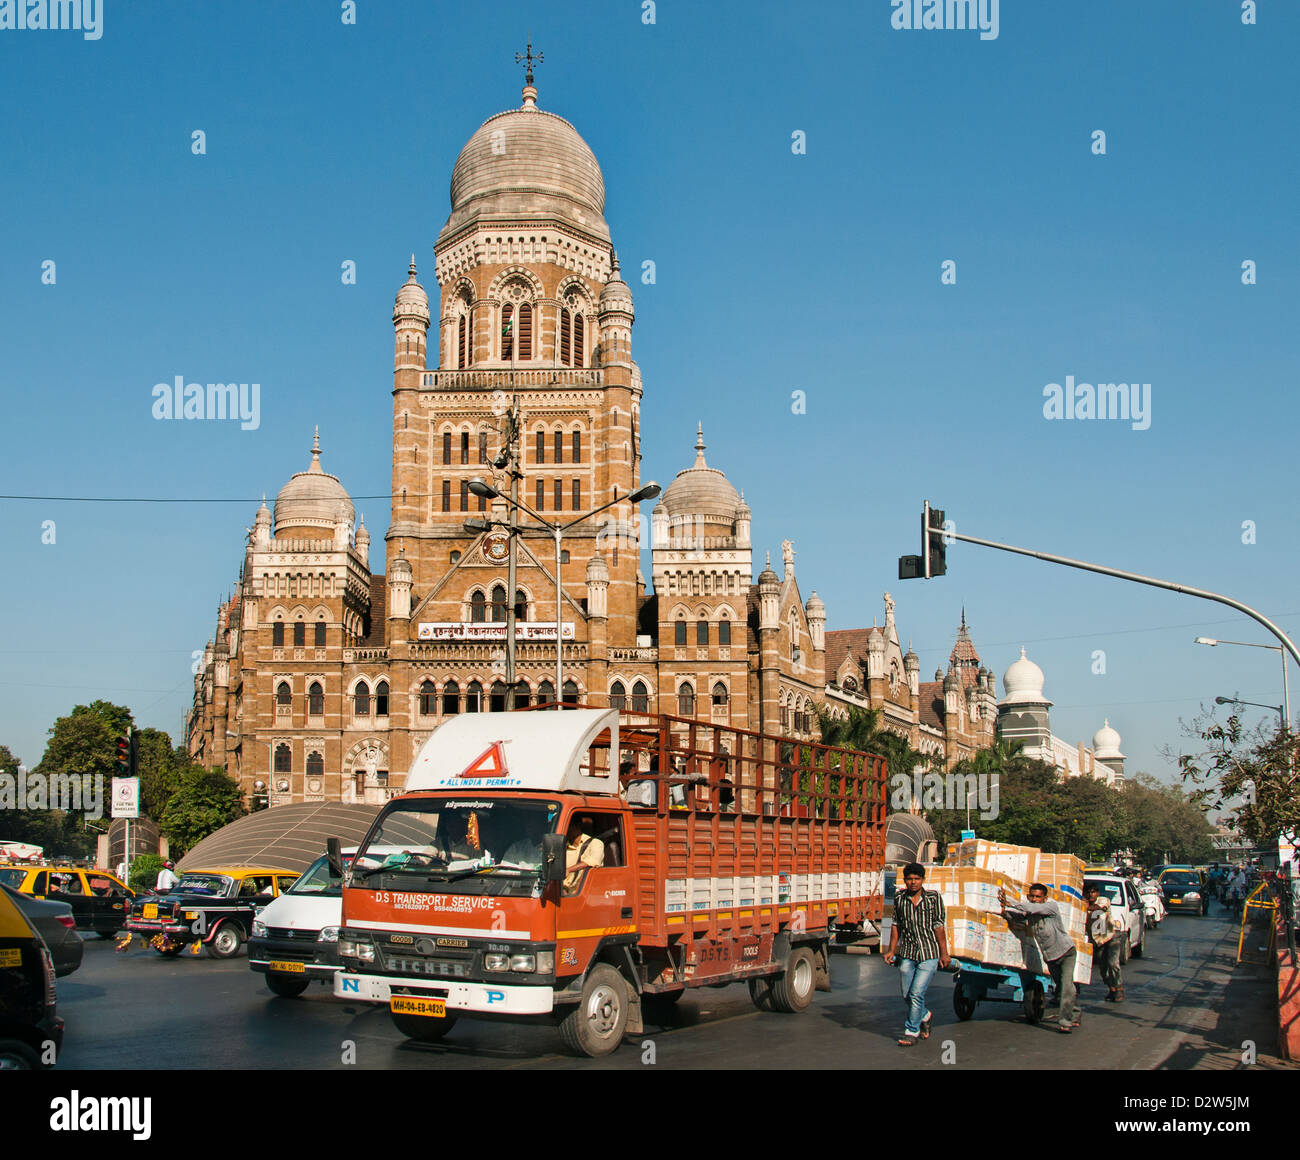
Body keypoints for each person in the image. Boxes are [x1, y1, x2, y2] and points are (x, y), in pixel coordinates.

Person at [883, 862, 949, 1047]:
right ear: (905, 880)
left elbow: (939, 926)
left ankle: (911, 1031)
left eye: (917, 879)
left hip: (929, 952)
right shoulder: (900, 898)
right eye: (910, 879)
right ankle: (925, 1015)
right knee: (907, 994)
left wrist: (944, 954)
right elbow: (897, 926)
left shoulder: (933, 898)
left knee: (917, 993)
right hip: (908, 952)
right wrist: (891, 950)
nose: (913, 882)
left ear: (922, 880)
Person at [999, 883, 1081, 1033]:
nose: (1035, 899)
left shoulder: (1051, 907)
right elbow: (1017, 917)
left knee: (1067, 985)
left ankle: (1065, 1022)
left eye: (1038, 897)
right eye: (1032, 896)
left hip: (1066, 952)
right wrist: (1003, 911)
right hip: (1050, 957)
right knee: (1062, 987)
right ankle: (1075, 1013)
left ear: (1045, 898)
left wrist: (1010, 901)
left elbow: (1030, 908)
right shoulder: (1030, 914)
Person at [1084, 884, 1125, 1002]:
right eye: (1088, 892)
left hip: (1111, 936)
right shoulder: (1083, 905)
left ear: (1097, 893)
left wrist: (1084, 905)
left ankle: (1119, 988)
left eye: (1093, 892)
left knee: (1113, 964)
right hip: (1098, 941)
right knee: (1103, 968)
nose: (1091, 895)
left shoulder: (1103, 900)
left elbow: (1100, 909)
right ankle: (1112, 989)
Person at [564, 820, 605, 890]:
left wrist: (569, 870)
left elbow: (593, 861)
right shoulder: (563, 847)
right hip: (565, 892)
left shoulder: (596, 843)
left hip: (586, 892)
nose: (565, 830)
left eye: (568, 826)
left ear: (577, 826)